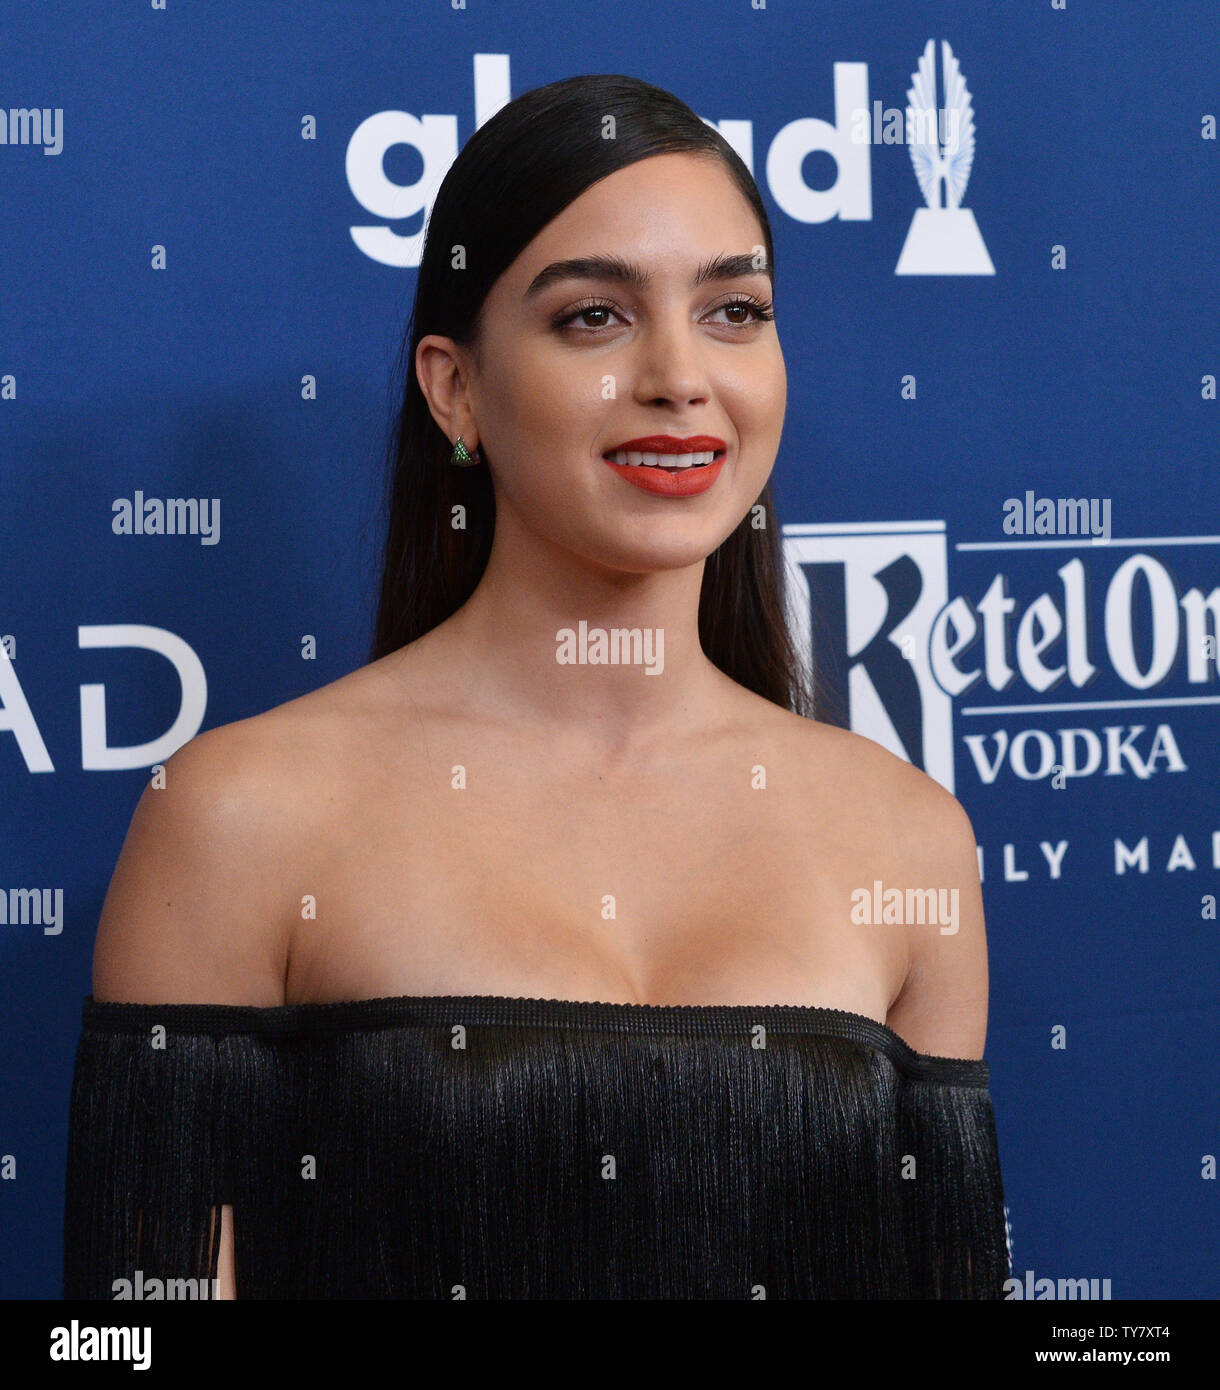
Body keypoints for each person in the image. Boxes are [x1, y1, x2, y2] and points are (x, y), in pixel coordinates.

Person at [63, 73, 1007, 1300]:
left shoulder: (908, 839)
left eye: (733, 309)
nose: (679, 375)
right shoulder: (240, 813)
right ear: (455, 388)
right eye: (592, 319)